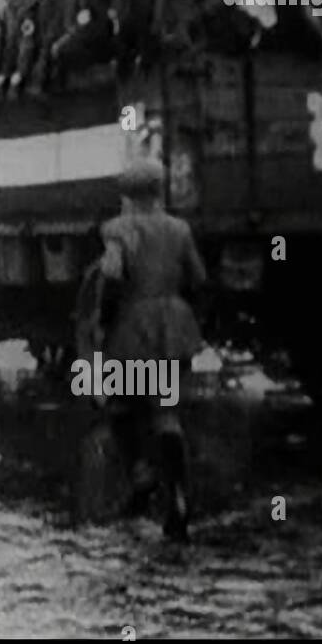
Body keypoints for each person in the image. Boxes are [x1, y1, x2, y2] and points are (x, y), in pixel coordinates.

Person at [97, 158, 207, 542]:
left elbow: (111, 277)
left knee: (121, 407)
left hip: (134, 329)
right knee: (166, 411)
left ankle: (142, 479)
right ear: (158, 193)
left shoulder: (118, 229)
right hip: (174, 327)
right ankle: (177, 499)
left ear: (128, 196)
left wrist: (104, 319)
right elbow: (198, 278)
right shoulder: (180, 229)